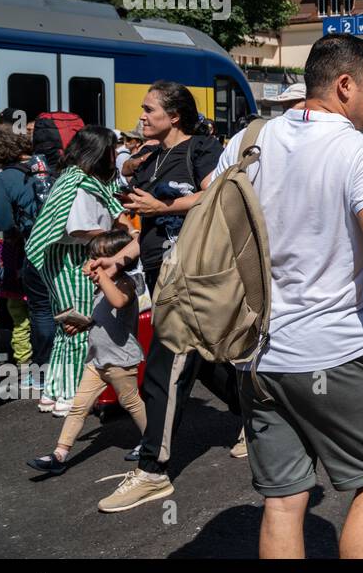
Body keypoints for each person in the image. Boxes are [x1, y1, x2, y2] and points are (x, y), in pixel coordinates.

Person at [143, 34, 363, 554]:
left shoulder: (249, 140)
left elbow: (214, 215)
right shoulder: (361, 153)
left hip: (257, 354)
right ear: (345, 85)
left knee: (284, 499)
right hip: (335, 350)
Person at [93, 83, 239, 513]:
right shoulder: (151, 159)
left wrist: (165, 207)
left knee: (162, 367)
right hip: (161, 276)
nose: (141, 116)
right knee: (208, 362)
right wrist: (120, 259)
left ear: (175, 115)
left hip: (192, 277)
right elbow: (148, 229)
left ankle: (153, 470)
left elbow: (217, 197)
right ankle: (261, 417)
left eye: (149, 109)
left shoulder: (203, 148)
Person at [24, 126, 128, 418]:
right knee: (82, 326)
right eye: (111, 149)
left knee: (66, 328)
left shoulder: (68, 177)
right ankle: (71, 396)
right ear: (99, 151)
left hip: (54, 260)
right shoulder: (84, 183)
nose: (114, 155)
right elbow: (79, 227)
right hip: (75, 260)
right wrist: (116, 231)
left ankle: (53, 393)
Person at [27, 229, 147, 476]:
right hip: (97, 360)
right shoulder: (101, 288)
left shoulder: (126, 283)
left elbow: (118, 302)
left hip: (120, 359)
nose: (92, 265)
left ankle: (154, 441)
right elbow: (104, 318)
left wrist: (102, 274)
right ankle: (60, 454)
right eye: (92, 258)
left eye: (98, 259)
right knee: (78, 407)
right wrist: (84, 323)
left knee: (131, 402)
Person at [0, 128, 44, 366]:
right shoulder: (40, 169)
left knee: (19, 314)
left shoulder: (2, 179)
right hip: (53, 246)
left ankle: (26, 364)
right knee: (45, 309)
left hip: (23, 251)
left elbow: (5, 222)